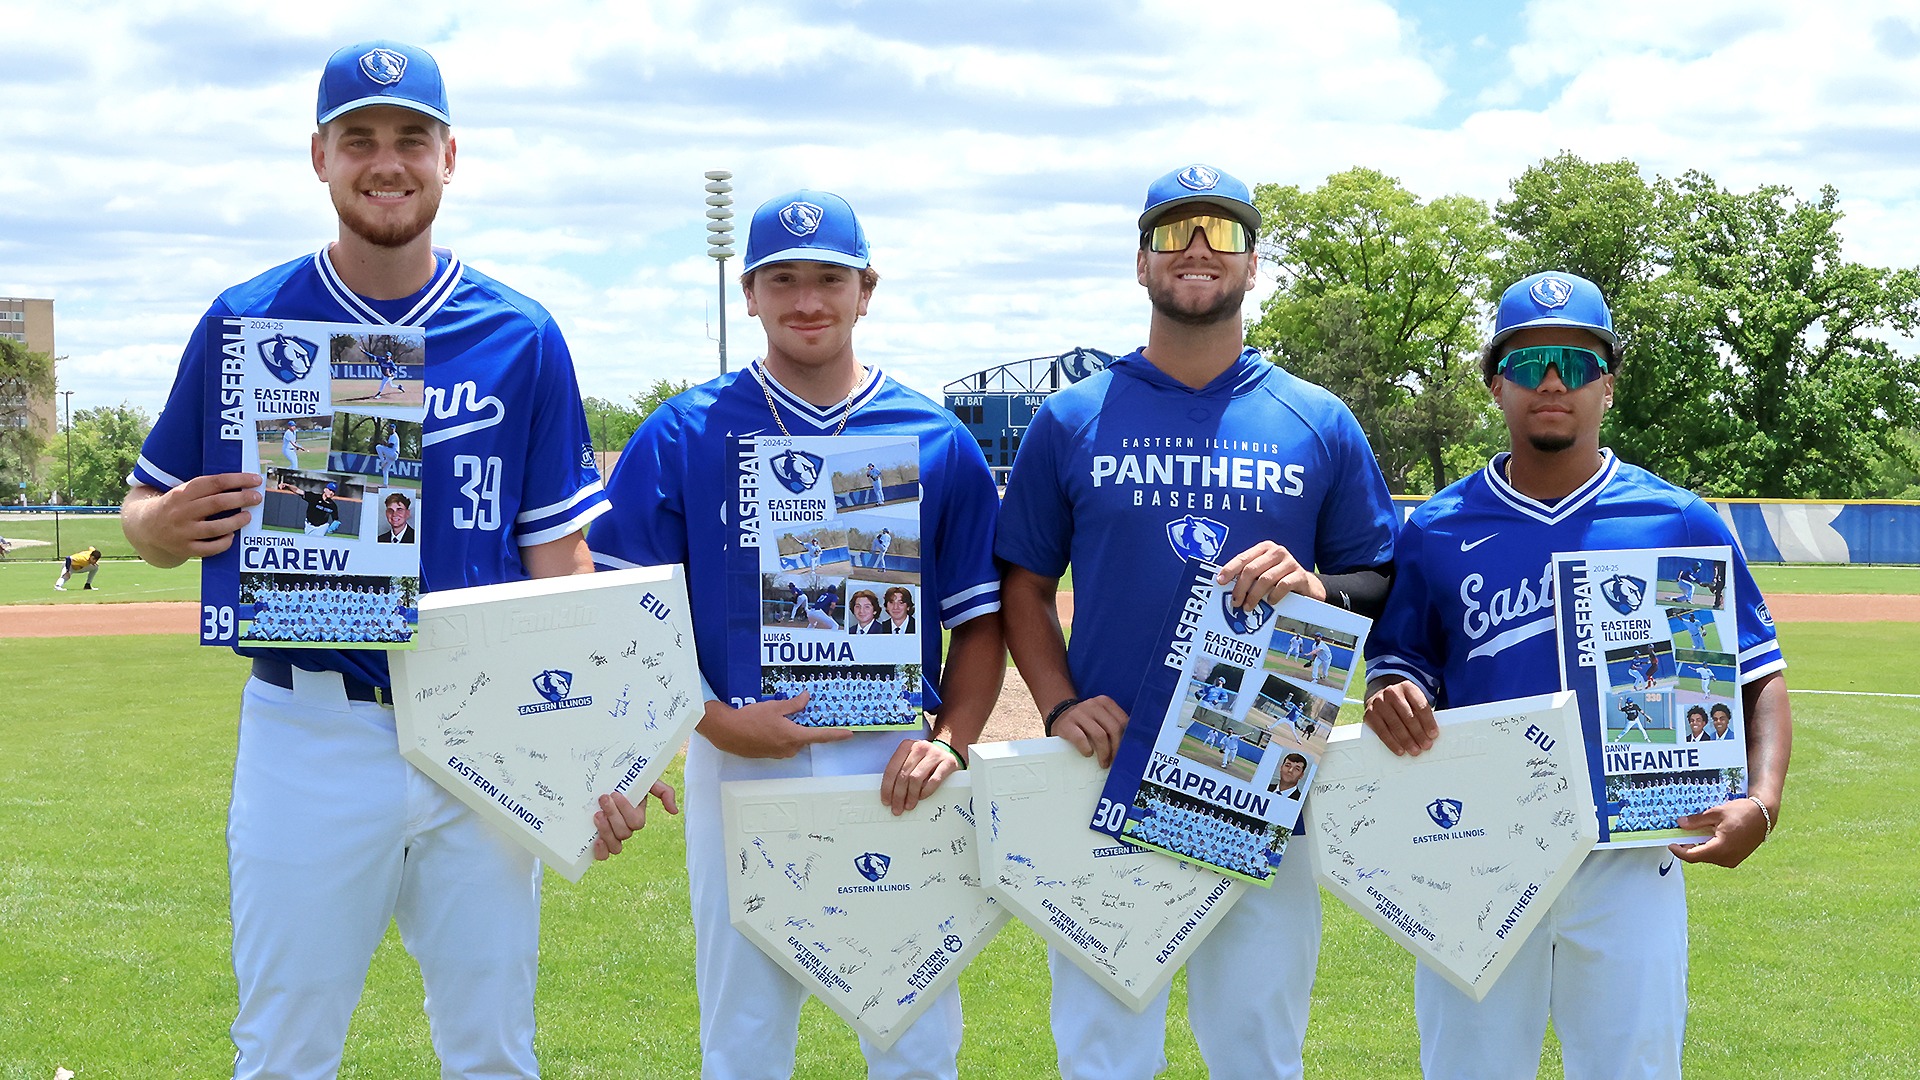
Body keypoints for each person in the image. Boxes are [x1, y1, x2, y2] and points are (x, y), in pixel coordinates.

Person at [118, 40, 668, 1078]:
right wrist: (160, 528)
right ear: (318, 157)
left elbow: (558, 557)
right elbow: (144, 506)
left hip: (485, 733)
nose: (387, 162)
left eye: (411, 138)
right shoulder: (247, 317)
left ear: (449, 156)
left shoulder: (520, 331)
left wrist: (599, 745)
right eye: (359, 138)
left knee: (494, 1050)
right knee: (283, 1048)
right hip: (310, 726)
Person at [587, 188, 1005, 1078]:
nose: (807, 299)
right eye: (783, 279)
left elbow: (978, 624)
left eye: (830, 278)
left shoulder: (935, 436)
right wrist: (709, 719)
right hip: (738, 752)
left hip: (889, 756)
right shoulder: (683, 431)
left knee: (914, 1034)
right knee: (742, 1038)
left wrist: (953, 742)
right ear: (748, 294)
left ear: (867, 289)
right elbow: (628, 616)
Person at [996, 164, 1396, 1079]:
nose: (1199, 250)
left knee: (1257, 1052)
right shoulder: (1071, 417)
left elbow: (1380, 578)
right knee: (1103, 1053)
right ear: (1141, 264)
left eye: (1222, 231)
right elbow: (1023, 580)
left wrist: (1318, 587)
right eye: (1176, 233)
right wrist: (1058, 704)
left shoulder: (1318, 419)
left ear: (1255, 266)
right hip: (1107, 775)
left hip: (1259, 778)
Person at [1363, 270, 1790, 1079]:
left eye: (1575, 361)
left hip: (1633, 852)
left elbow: (1757, 673)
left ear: (1608, 385)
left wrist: (1763, 804)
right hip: (1478, 850)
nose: (1551, 381)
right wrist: (1394, 694)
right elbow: (1399, 668)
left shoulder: (1676, 518)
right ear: (1496, 386)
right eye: (1527, 364)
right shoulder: (1438, 526)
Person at [277, 478, 341, 536]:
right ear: (325, 490)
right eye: (330, 490)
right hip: (309, 525)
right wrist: (287, 486)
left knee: (317, 543)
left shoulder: (333, 506)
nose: (331, 492)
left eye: (333, 491)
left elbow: (336, 519)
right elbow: (298, 491)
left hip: (322, 527)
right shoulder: (314, 497)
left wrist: (335, 525)